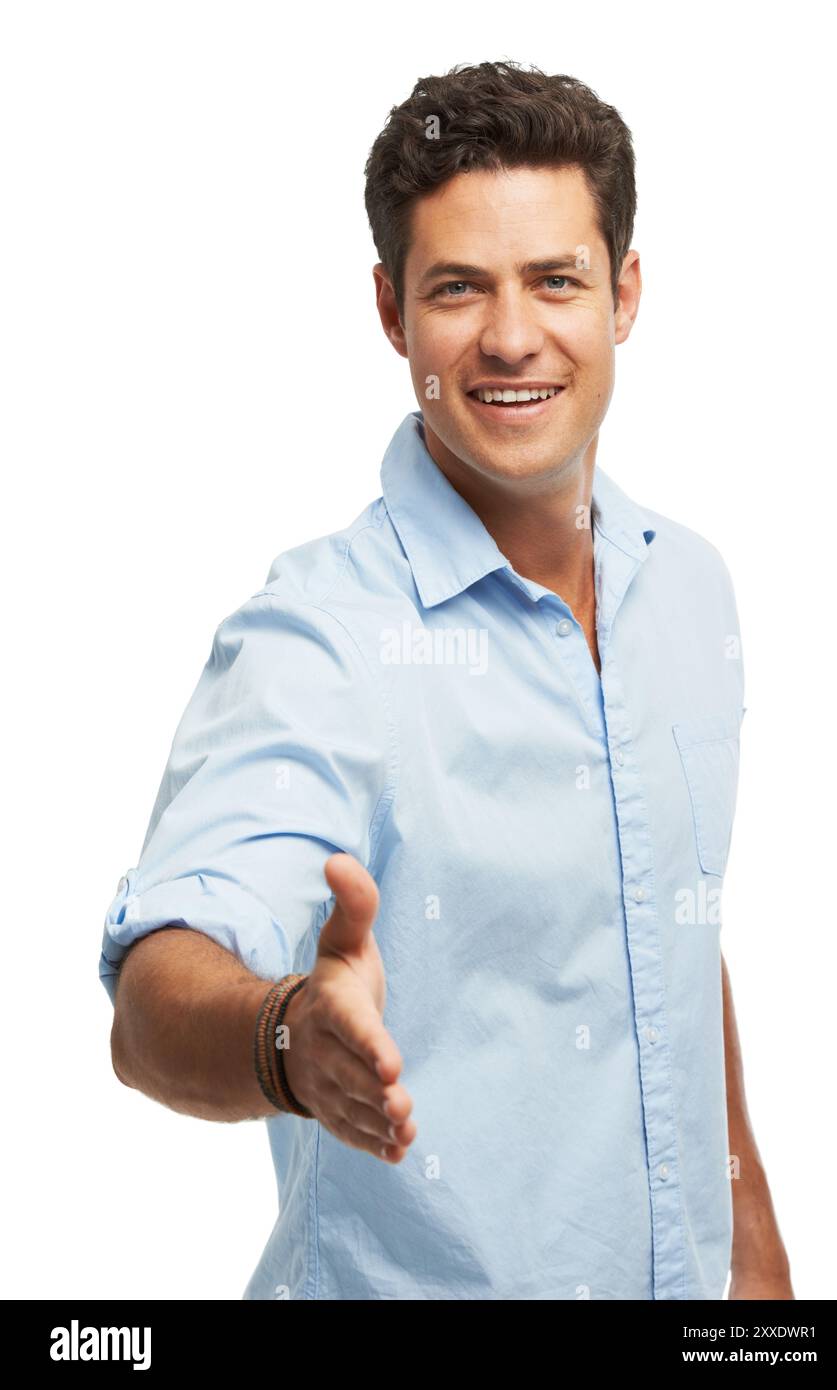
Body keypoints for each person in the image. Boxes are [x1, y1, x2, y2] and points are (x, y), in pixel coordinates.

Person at [101, 59, 793, 1301]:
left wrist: (756, 1266)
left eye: (556, 280)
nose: (513, 335)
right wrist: (286, 1042)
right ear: (390, 310)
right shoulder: (318, 641)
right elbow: (154, 1002)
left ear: (625, 293)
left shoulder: (691, 589)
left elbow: (668, 937)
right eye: (459, 287)